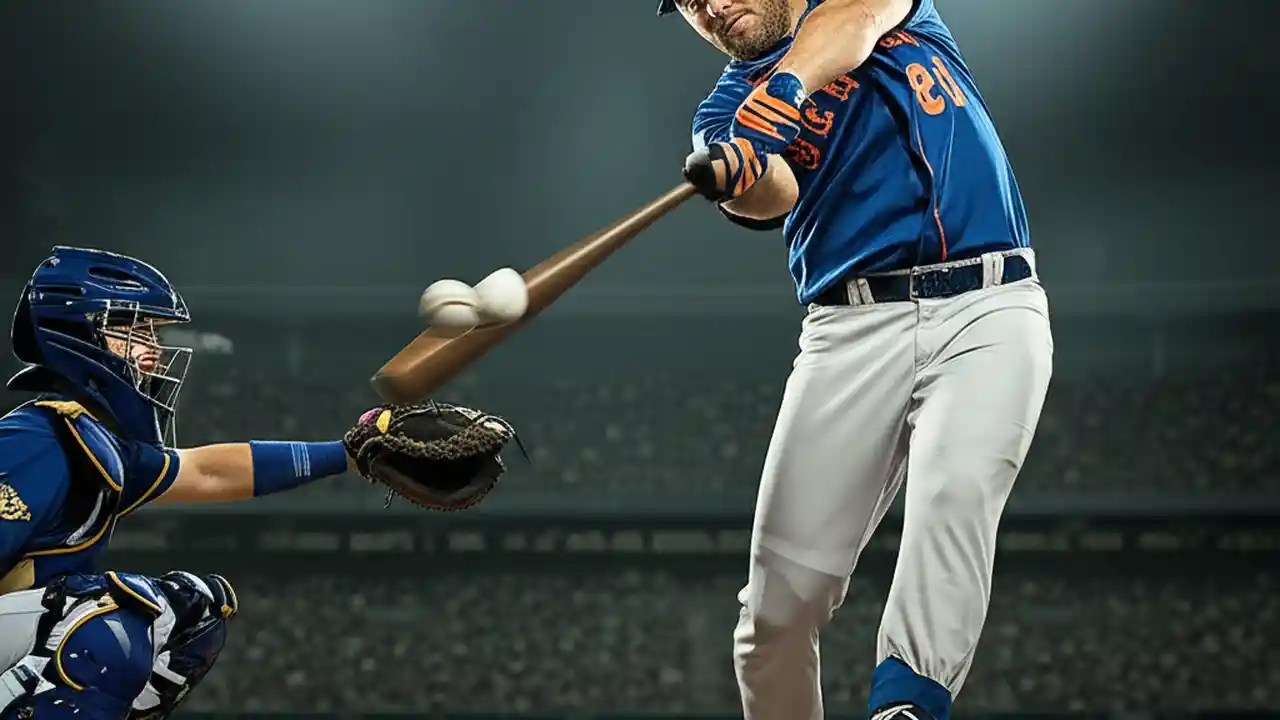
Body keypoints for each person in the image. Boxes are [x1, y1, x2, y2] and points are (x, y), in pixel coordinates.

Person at [659, 1, 1054, 718]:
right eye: (688, 1)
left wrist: (782, 95)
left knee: (955, 492)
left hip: (989, 306)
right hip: (849, 332)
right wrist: (741, 170)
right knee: (773, 620)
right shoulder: (721, 114)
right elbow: (769, 195)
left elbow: (856, 22)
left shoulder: (864, 7)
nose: (712, 7)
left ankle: (906, 705)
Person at [0, 246, 357, 719]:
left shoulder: (90, 439)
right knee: (114, 618)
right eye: (132, 329)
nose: (154, 349)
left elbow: (207, 472)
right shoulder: (38, 441)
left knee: (193, 613)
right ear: (76, 332)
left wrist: (350, 455)